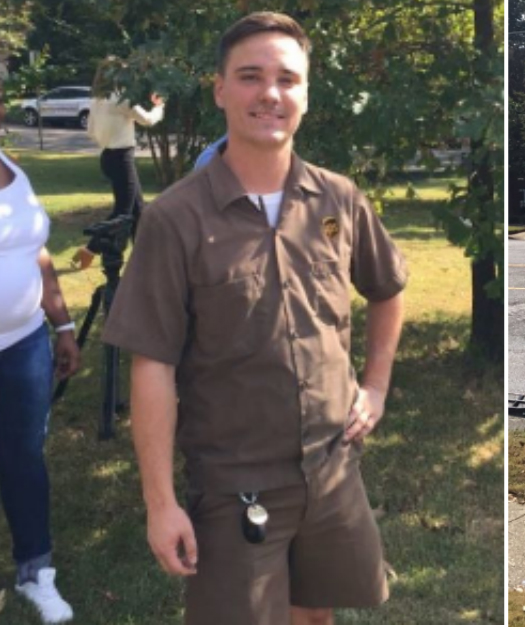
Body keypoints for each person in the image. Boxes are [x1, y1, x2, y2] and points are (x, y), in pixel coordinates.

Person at [101, 12, 408, 623]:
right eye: (250, 77)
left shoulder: (338, 198)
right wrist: (159, 503)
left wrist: (374, 387)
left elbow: (388, 287)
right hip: (234, 484)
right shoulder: (175, 219)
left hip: (332, 466)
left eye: (287, 79)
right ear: (220, 89)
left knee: (316, 614)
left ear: (305, 94)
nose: (270, 93)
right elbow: (152, 364)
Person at [0, 97, 81, 624]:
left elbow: (37, 251)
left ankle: (35, 571)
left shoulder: (12, 169)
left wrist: (64, 325)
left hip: (26, 344)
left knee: (24, 458)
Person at [86, 58, 165, 222]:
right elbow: (148, 119)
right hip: (122, 158)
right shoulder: (121, 100)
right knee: (123, 213)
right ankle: (93, 247)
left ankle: (141, 248)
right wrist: (159, 106)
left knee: (138, 210)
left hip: (107, 157)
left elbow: (91, 132)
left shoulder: (96, 100)